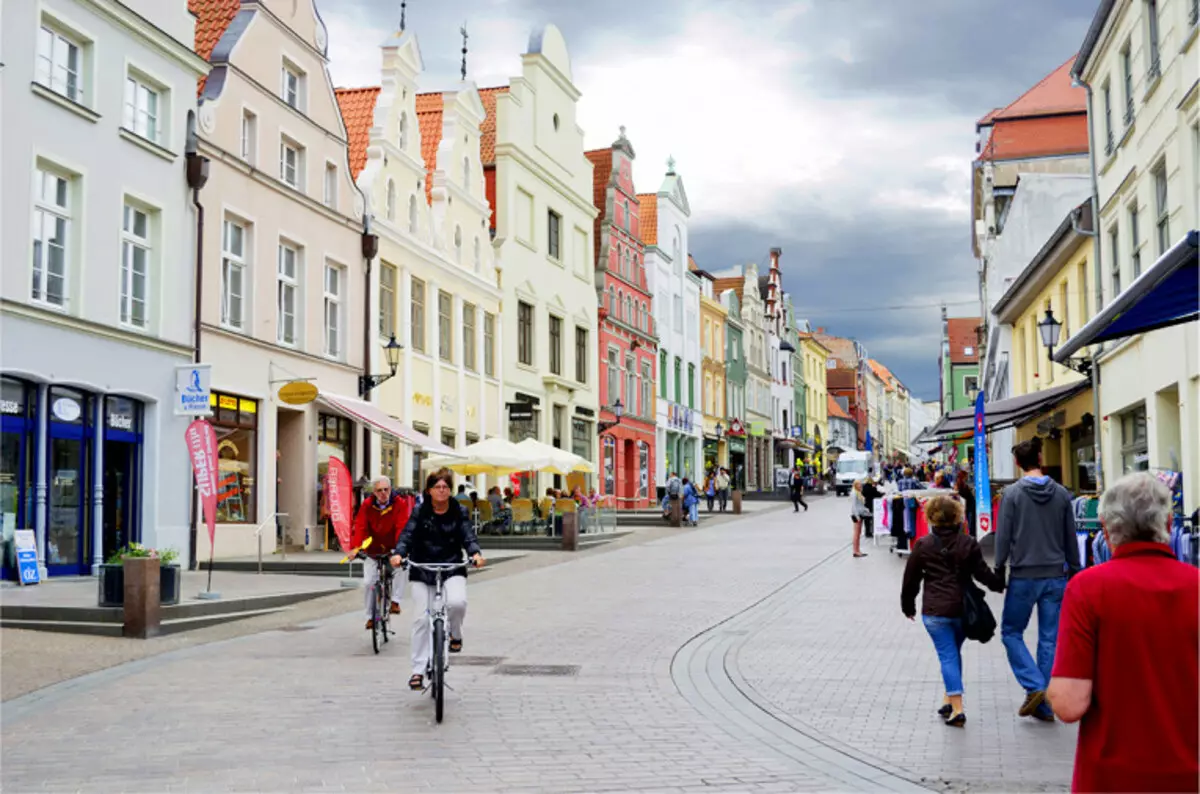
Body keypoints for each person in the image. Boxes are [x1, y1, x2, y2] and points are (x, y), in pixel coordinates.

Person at [1046, 473, 1199, 792]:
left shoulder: (1087, 590)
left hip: (1111, 778)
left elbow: (1068, 704)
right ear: (1170, 523)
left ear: (1105, 528)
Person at [994, 437, 1080, 722]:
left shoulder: (1013, 495)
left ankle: (1035, 687)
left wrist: (998, 565)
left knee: (1011, 632)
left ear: (1018, 464)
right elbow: (1070, 533)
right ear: (1040, 459)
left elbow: (1003, 533)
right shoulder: (1062, 494)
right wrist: (1076, 567)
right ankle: (1042, 703)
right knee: (1048, 639)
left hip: (1023, 575)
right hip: (1056, 575)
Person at [902, 494, 1004, 727]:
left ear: (931, 517)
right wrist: (998, 584)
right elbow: (982, 573)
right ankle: (948, 699)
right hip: (961, 610)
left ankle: (957, 708)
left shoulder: (923, 544)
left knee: (948, 654)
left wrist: (908, 606)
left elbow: (911, 581)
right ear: (957, 515)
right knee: (953, 652)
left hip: (935, 612)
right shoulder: (967, 543)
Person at [390, 468, 485, 691]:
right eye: (437, 487)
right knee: (421, 619)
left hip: (451, 566)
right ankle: (418, 670)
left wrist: (475, 553)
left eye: (445, 487)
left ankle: (455, 634)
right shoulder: (419, 511)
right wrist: (399, 553)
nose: (441, 491)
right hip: (422, 568)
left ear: (450, 490)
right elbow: (407, 534)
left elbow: (467, 534)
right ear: (429, 490)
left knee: (457, 603)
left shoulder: (458, 510)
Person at [351, 476, 409, 629]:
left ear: (390, 490)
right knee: (369, 582)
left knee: (401, 568)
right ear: (374, 492)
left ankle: (395, 601)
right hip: (373, 548)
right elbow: (361, 526)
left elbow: (401, 526)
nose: (383, 493)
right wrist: (356, 547)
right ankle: (371, 617)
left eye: (386, 489)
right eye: (379, 490)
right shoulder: (367, 505)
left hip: (392, 547)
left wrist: (400, 550)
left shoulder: (399, 504)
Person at [849, 480, 869, 557]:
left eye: (861, 485)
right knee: (856, 534)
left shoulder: (858, 492)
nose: (861, 486)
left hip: (860, 514)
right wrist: (857, 516)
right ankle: (855, 551)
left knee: (858, 533)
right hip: (856, 515)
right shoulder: (854, 493)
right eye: (859, 485)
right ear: (856, 485)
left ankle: (858, 550)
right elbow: (854, 506)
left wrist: (865, 509)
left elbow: (859, 505)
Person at [955, 470, 976, 538]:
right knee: (970, 521)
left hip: (966, 505)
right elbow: (965, 496)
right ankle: (971, 534)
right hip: (969, 505)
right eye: (966, 476)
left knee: (967, 520)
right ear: (963, 476)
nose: (967, 477)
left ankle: (968, 533)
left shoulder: (958, 484)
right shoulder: (963, 485)